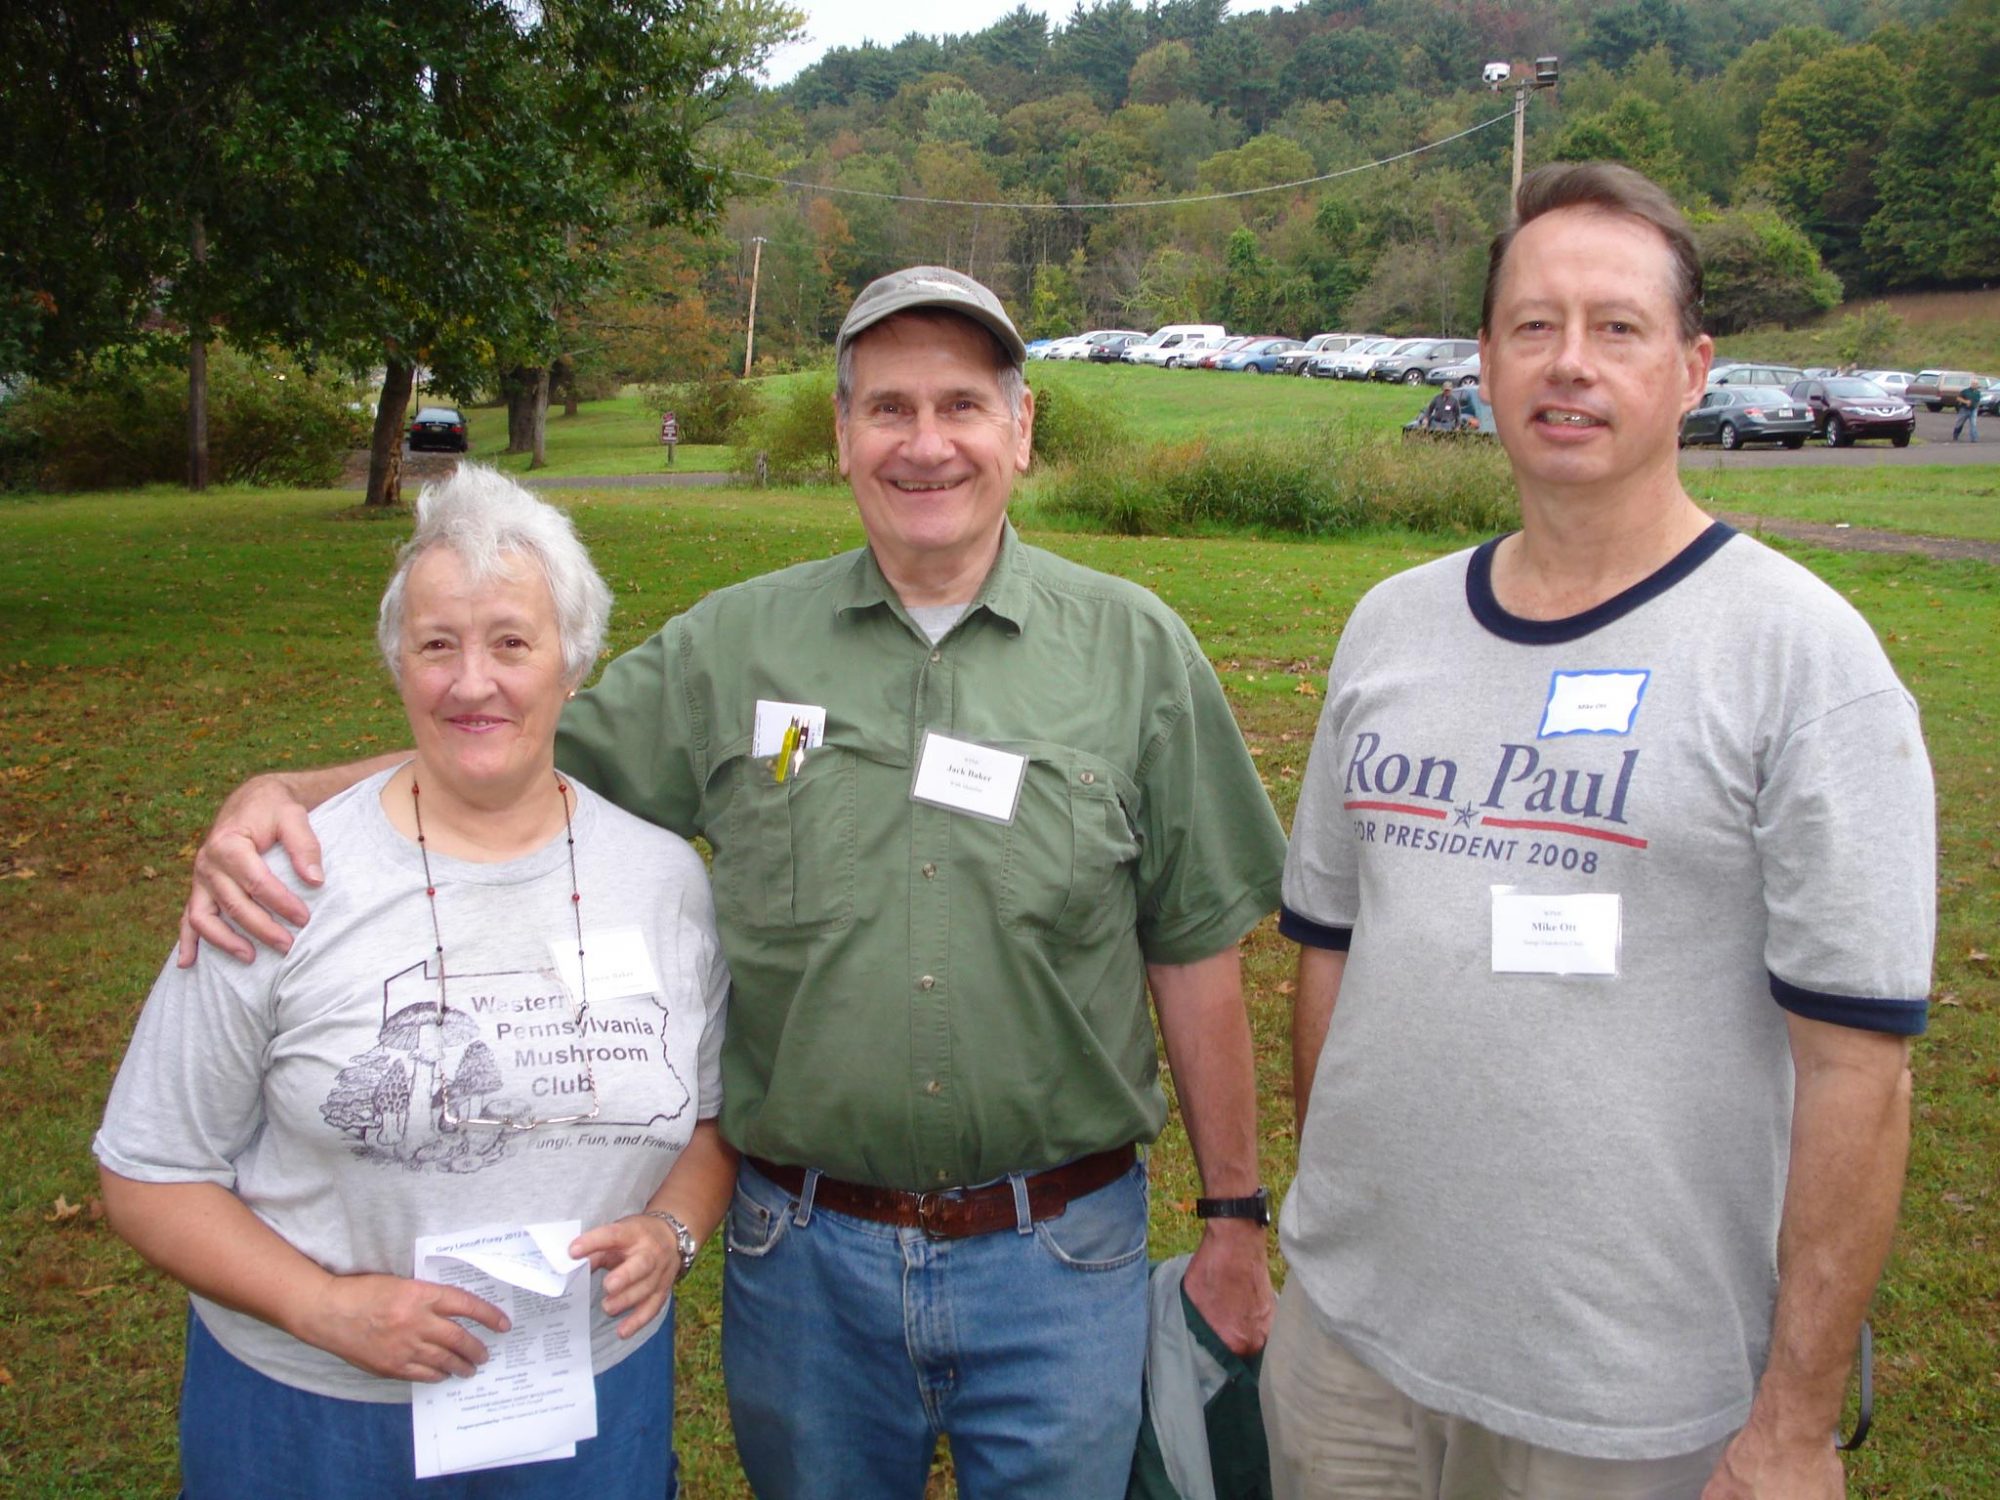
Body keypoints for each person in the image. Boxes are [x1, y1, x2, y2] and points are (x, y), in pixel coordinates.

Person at [179, 267, 1289, 1499]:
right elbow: (508, 747)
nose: (924, 444)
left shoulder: (1135, 652)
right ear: (841, 434)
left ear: (1020, 429)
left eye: (961, 406)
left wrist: (1234, 1219)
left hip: (1059, 1262)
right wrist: (291, 790)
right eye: (888, 409)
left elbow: (1194, 951)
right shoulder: (733, 651)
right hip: (806, 1266)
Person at [1262, 162, 1934, 1499]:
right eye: (1533, 325)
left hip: (1626, 1403)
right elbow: (1331, 952)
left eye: (1616, 327)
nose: (1569, 363)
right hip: (1348, 1357)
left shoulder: (1803, 659)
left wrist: (1794, 1424)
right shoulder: (1389, 627)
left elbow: (1861, 1071)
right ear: (1484, 360)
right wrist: (1334, 1239)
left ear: (1693, 368)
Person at [97, 467, 736, 1498]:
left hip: (581, 1399)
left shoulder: (662, 879)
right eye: (437, 644)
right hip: (314, 1413)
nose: (471, 682)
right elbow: (148, 1169)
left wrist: (671, 1231)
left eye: (511, 643)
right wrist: (319, 1305)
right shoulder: (277, 883)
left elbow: (708, 1124)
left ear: (573, 665)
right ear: (397, 663)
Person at [1951, 376, 1980, 441]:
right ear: (1971, 384)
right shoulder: (1965, 391)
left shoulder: (1978, 393)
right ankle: (1955, 435)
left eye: (1976, 384)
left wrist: (1977, 408)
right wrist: (1965, 401)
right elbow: (1958, 398)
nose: (1975, 385)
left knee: (1973, 424)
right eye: (1973, 384)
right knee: (1959, 423)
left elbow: (1978, 401)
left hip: (1973, 410)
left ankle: (1974, 438)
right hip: (1964, 409)